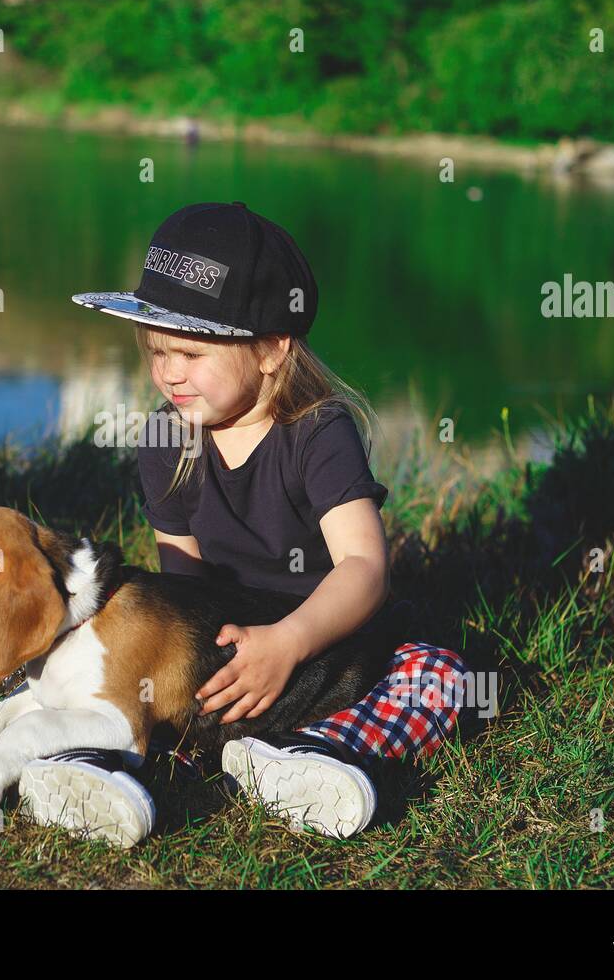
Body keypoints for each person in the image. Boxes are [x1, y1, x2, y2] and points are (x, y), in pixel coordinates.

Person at [23, 202, 469, 845]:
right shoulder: (166, 437)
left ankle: (309, 755)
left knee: (438, 675)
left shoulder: (318, 433)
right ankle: (93, 768)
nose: (168, 372)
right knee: (117, 652)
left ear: (270, 349)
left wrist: (287, 642)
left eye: (191, 352)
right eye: (156, 351)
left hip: (328, 657)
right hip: (215, 660)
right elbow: (180, 586)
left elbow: (366, 569)